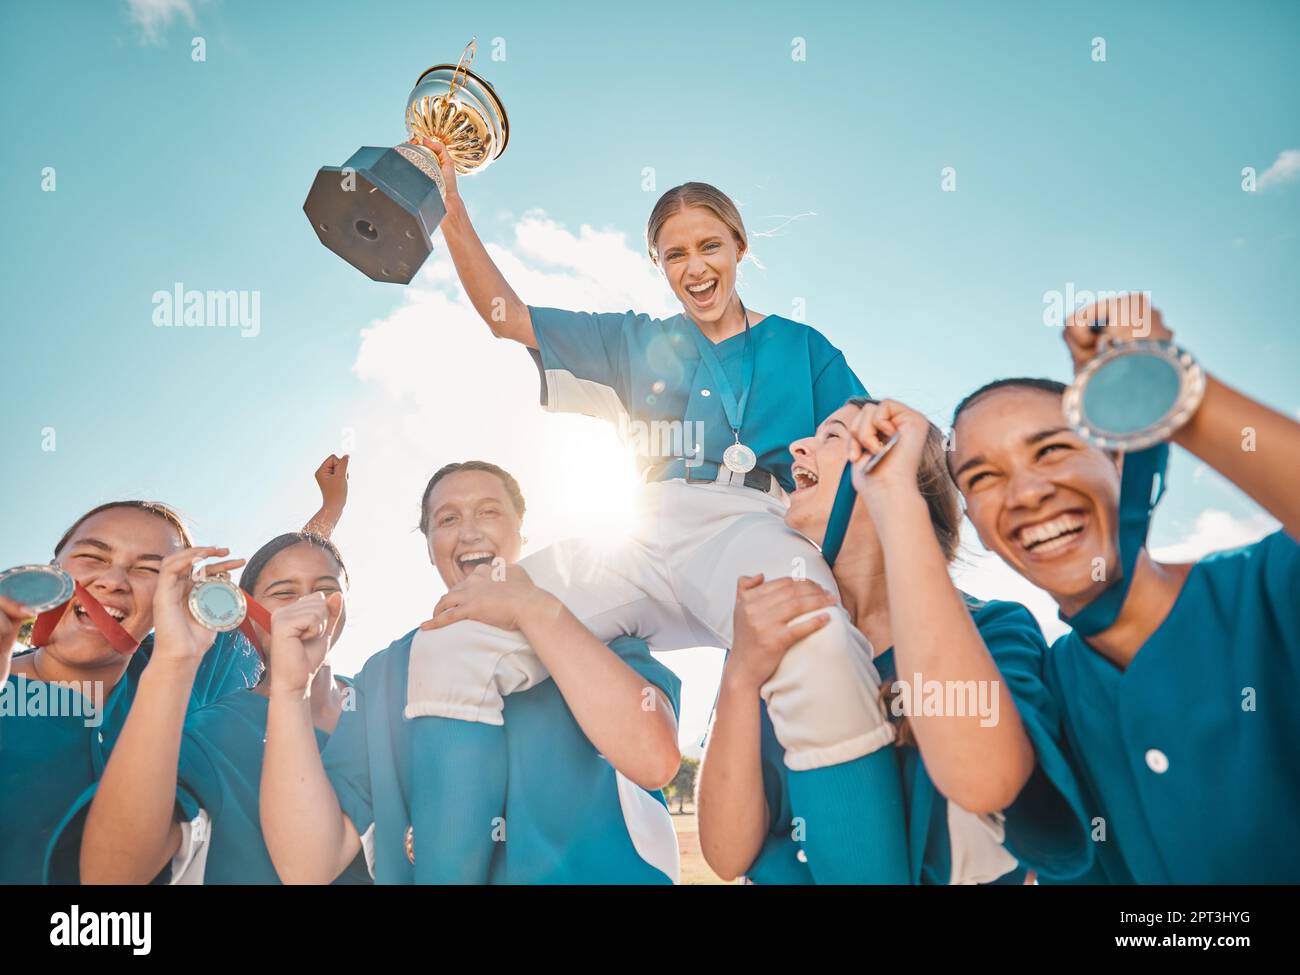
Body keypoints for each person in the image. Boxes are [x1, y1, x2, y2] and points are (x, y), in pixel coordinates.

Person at [399, 139, 905, 883]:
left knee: (816, 643)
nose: (694, 266)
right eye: (674, 255)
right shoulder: (636, 338)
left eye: (709, 245)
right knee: (456, 632)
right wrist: (448, 207)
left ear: (740, 246)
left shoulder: (803, 346)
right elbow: (506, 316)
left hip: (751, 524)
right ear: (659, 265)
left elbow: (866, 454)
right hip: (636, 527)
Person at [947, 294, 1300, 882]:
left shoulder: (1265, 589)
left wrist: (1161, 386)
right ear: (975, 523)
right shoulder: (1045, 694)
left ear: (1116, 454)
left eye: (1053, 448)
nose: (1027, 493)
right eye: (984, 477)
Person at [697, 397, 1093, 884]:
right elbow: (726, 855)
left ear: (892, 465)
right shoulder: (771, 634)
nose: (797, 447)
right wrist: (740, 675)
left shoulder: (991, 631)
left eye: (832, 436)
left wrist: (894, 500)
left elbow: (998, 796)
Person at [80, 532, 370, 884]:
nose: (307, 604)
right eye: (283, 593)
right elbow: (113, 874)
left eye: (324, 589)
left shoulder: (380, 704)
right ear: (245, 613)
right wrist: (175, 659)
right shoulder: (210, 732)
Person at [0, 501, 261, 883]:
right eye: (92, 556)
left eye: (149, 569)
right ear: (52, 572)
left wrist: (329, 510)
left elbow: (286, 594)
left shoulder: (186, 667)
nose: (113, 581)